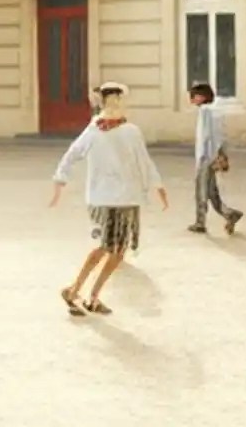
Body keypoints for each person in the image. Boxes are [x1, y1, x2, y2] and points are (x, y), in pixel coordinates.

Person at [51, 82, 168, 317]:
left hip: (104, 198)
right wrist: (158, 186)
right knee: (112, 248)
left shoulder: (96, 129)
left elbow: (71, 154)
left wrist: (60, 180)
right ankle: (79, 292)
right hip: (120, 198)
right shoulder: (127, 131)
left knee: (111, 248)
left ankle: (83, 294)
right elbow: (145, 162)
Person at [187, 83, 243, 236]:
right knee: (211, 190)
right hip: (212, 155)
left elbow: (207, 136)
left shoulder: (205, 111)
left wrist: (207, 157)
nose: (191, 100)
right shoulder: (217, 111)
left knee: (201, 189)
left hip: (206, 157)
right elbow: (221, 135)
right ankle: (229, 214)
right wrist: (222, 154)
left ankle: (200, 222)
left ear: (202, 97)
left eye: (193, 96)